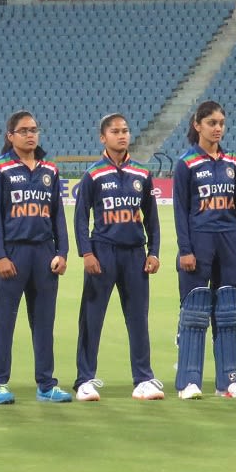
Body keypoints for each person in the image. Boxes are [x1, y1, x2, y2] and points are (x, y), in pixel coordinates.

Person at [71, 113, 162, 402]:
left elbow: (152, 220)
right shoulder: (94, 174)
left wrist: (154, 252)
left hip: (135, 254)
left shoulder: (141, 174)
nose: (121, 135)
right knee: (92, 318)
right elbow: (79, 218)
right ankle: (85, 380)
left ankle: (143, 379)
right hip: (103, 252)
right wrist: (86, 252)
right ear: (103, 137)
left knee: (138, 319)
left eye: (125, 131)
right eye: (115, 131)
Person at [0, 110, 71, 404]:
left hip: (44, 254)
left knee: (45, 323)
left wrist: (62, 252)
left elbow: (58, 213)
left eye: (34, 129)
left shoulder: (49, 168)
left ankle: (46, 384)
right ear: (10, 136)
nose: (31, 134)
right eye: (23, 130)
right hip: (13, 253)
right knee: (4, 322)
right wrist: (0, 256)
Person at [172, 100, 236, 400]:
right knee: (195, 310)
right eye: (212, 123)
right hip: (199, 241)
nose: (218, 128)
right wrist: (185, 249)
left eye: (221, 123)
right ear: (198, 126)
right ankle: (189, 381)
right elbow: (180, 211)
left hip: (230, 240)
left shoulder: (233, 162)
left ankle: (230, 381)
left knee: (229, 309)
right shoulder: (186, 163)